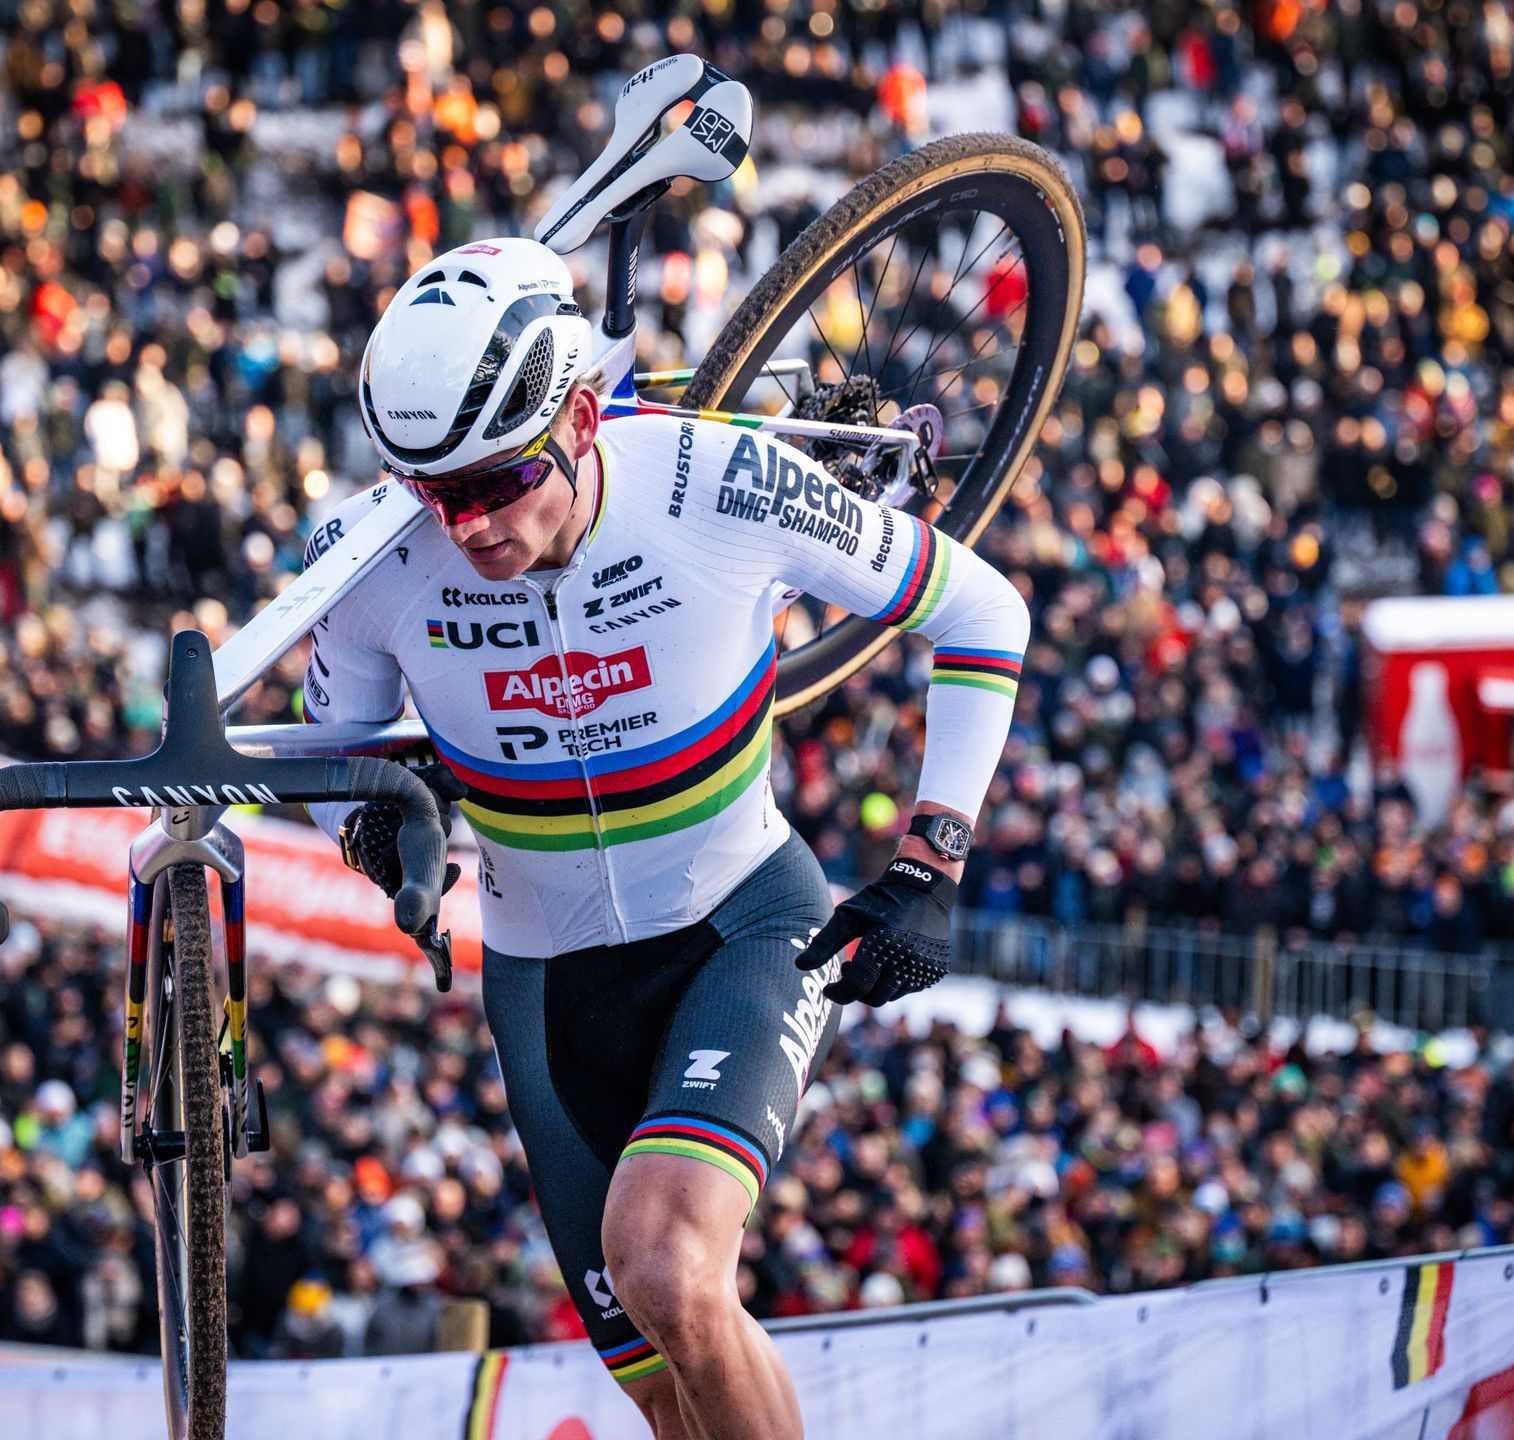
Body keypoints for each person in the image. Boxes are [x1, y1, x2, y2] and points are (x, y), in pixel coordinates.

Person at [300, 237, 1029, 1439]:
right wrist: (376, 832)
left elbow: (982, 609)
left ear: (582, 420)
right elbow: (339, 754)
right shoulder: (375, 557)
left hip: (743, 924)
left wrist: (929, 862)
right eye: (434, 492)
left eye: (495, 483)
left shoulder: (720, 483)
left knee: (667, 1267)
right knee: (658, 1384)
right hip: (542, 984)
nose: (466, 525)